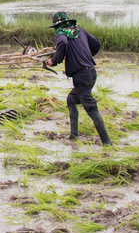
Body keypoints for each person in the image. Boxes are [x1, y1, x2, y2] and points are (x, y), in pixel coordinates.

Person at [44, 11, 111, 146]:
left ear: (58, 26)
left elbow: (62, 43)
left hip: (81, 77)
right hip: (91, 73)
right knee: (72, 100)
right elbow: (96, 43)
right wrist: (84, 57)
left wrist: (55, 61)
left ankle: (107, 144)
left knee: (91, 109)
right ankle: (73, 136)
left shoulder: (61, 34)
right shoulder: (79, 31)